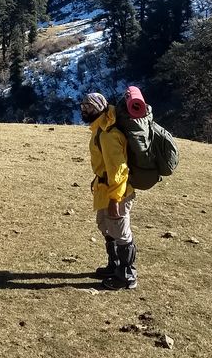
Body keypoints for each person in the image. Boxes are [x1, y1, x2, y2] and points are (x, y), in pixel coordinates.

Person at [80, 91, 137, 290]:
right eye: (83, 107)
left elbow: (119, 170)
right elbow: (105, 164)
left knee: (120, 231)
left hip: (117, 191)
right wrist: (97, 179)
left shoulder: (109, 135)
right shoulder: (100, 129)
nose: (84, 111)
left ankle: (127, 275)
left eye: (88, 108)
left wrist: (115, 199)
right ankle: (114, 265)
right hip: (104, 187)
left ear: (99, 109)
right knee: (105, 226)